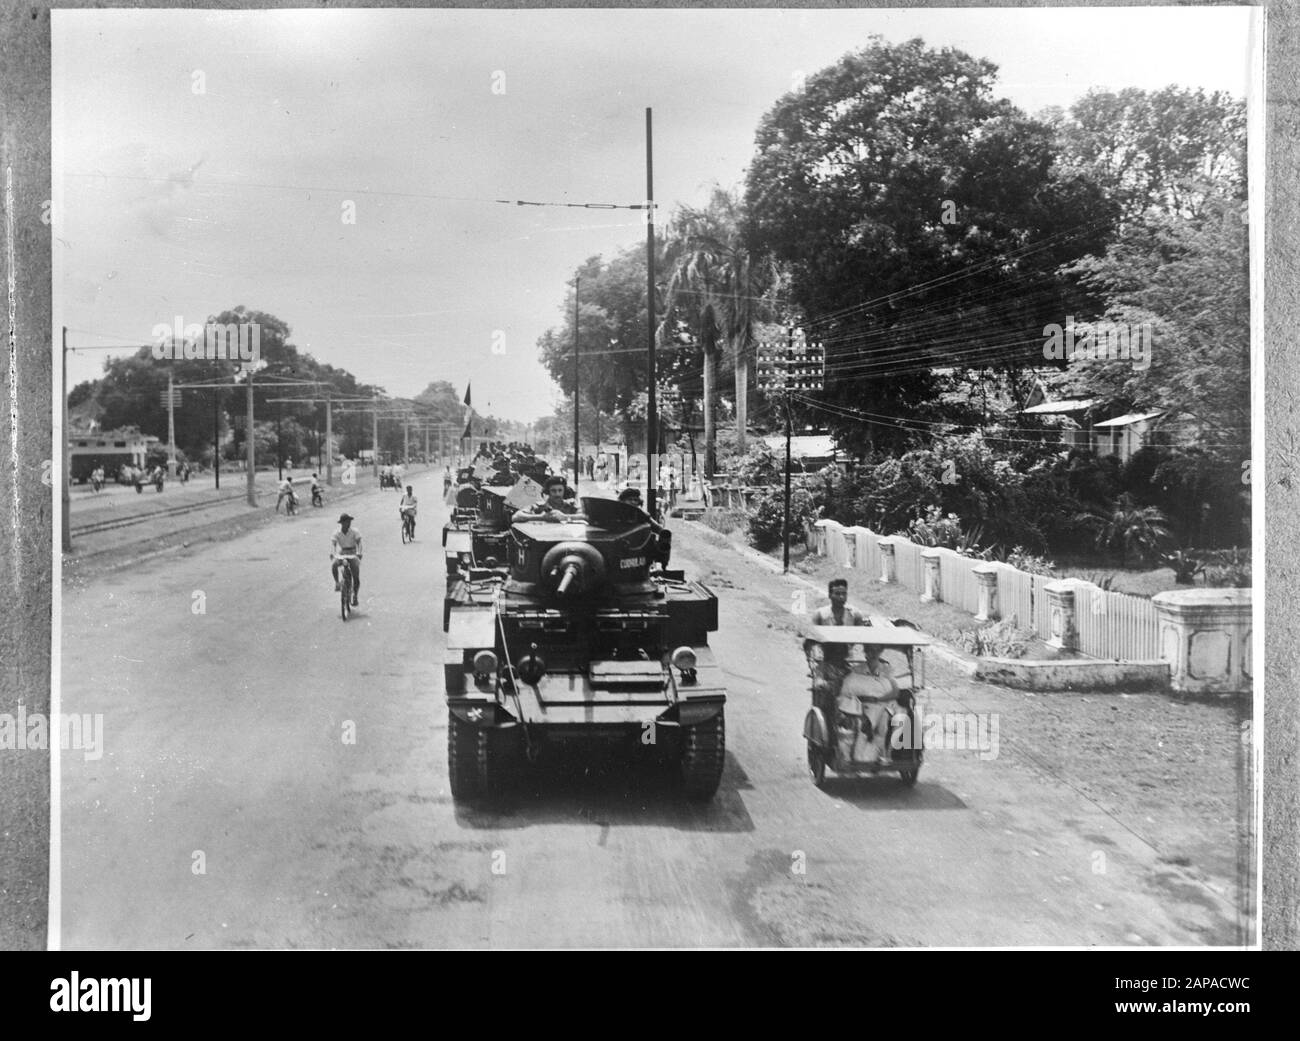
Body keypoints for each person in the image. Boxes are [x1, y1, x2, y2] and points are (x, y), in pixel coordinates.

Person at [513, 474, 581, 523]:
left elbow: (586, 516)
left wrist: (564, 517)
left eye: (560, 490)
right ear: (548, 492)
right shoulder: (539, 506)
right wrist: (542, 517)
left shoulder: (570, 505)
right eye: (553, 491)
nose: (557, 494)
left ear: (564, 491)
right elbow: (516, 516)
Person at [331, 513, 363, 605]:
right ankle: (337, 583)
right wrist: (332, 553)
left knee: (356, 576)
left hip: (353, 553)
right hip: (343, 553)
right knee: (334, 565)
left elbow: (359, 543)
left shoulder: (354, 531)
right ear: (342, 523)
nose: (349, 523)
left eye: (349, 522)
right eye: (346, 522)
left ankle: (355, 596)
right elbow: (333, 544)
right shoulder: (337, 532)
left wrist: (359, 553)